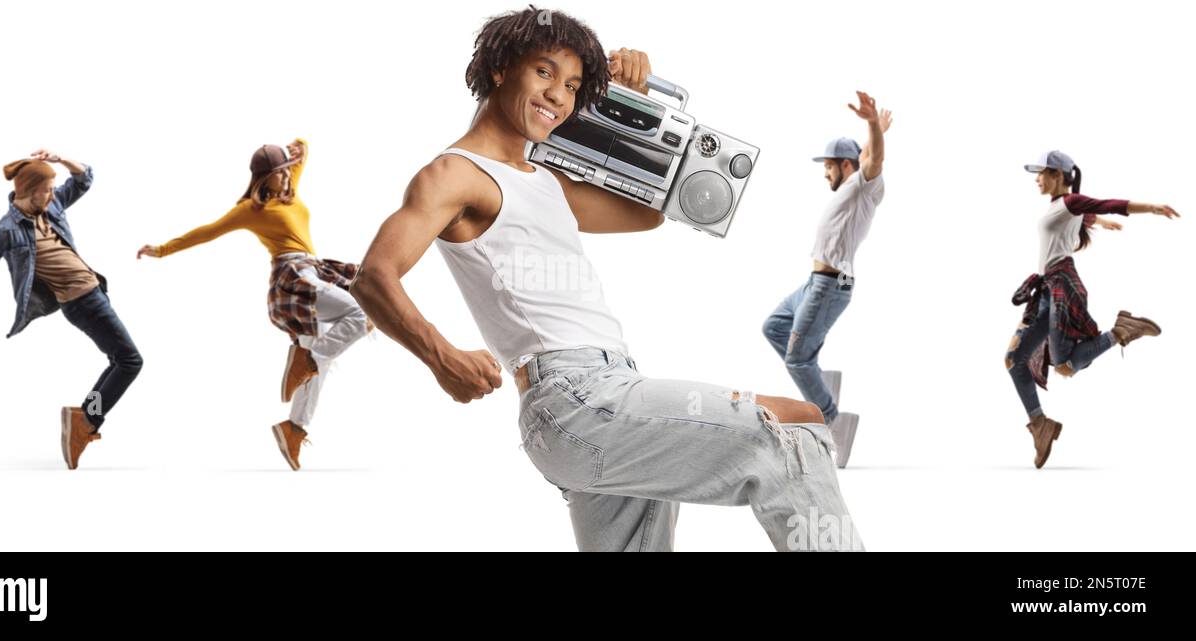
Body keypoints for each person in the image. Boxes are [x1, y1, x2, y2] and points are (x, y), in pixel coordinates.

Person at [349, 7, 862, 551]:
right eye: (544, 73)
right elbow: (374, 276)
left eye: (572, 86)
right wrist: (441, 356)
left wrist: (629, 100)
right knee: (793, 426)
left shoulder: (547, 182)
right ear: (501, 69)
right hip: (577, 398)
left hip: (609, 395)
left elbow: (649, 212)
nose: (558, 97)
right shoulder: (455, 174)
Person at [137, 138, 370, 471]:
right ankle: (309, 360)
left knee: (319, 362)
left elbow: (304, 150)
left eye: (288, 170)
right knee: (359, 312)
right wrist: (161, 250)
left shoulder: (291, 186)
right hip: (293, 278)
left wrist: (295, 147)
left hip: (315, 269)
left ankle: (294, 428)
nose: (288, 175)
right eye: (280, 172)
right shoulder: (252, 210)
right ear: (265, 178)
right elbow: (206, 232)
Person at [0, 150, 142, 470]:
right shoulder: (5, 231)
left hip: (96, 291)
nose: (52, 195)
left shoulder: (53, 204)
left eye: (52, 190)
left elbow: (84, 179)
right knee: (130, 361)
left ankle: (84, 417)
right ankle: (86, 421)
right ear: (28, 192)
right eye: (46, 190)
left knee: (120, 360)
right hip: (81, 303)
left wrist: (61, 160)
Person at [1006, 150, 1179, 468]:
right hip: (1046, 291)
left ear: (1058, 175)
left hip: (1063, 289)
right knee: (1015, 359)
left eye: (1041, 173)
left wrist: (1150, 208)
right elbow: (1085, 214)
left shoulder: (1071, 202)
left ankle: (1120, 332)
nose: (1036, 179)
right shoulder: (1061, 207)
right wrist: (1099, 221)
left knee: (1063, 363)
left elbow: (1105, 203)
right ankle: (1040, 425)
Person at [762, 92, 891, 469]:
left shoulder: (863, 188)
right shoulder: (852, 187)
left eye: (830, 165)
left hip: (830, 286)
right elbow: (869, 154)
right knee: (774, 327)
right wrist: (875, 129)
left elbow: (875, 159)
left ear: (847, 166)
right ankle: (824, 384)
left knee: (798, 360)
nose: (825, 172)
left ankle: (834, 422)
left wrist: (871, 124)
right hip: (812, 283)